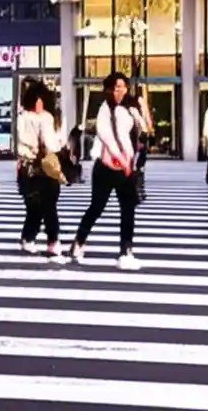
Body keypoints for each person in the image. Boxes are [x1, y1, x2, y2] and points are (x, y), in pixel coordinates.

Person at [71, 72, 142, 271]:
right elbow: (107, 137)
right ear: (109, 89)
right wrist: (121, 160)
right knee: (97, 208)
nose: (121, 91)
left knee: (128, 209)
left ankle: (126, 250)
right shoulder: (104, 110)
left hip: (127, 167)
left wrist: (141, 111)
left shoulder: (128, 109)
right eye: (117, 87)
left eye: (124, 87)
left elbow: (141, 131)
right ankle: (78, 242)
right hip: (107, 168)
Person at [15, 78, 67, 262]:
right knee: (34, 207)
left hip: (48, 165)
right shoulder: (24, 117)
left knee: (49, 206)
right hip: (30, 168)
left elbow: (54, 141)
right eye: (35, 99)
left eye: (41, 99)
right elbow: (23, 142)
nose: (39, 103)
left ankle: (52, 241)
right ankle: (29, 236)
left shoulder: (49, 117)